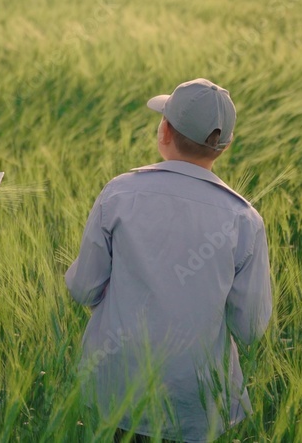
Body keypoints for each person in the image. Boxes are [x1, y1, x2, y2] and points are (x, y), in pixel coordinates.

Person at [65, 79, 272, 442]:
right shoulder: (244, 218)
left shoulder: (119, 193)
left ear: (164, 130)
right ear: (225, 146)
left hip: (116, 389)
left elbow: (84, 290)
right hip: (197, 401)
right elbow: (249, 328)